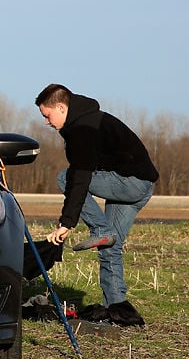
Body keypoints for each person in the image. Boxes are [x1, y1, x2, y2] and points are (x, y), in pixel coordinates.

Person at [35, 83, 159, 325]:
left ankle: (101, 229)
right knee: (109, 244)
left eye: (47, 116)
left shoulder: (83, 128)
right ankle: (118, 310)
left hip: (130, 183)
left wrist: (66, 223)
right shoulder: (86, 121)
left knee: (66, 177)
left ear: (61, 107)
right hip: (139, 187)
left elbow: (80, 178)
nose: (46, 122)